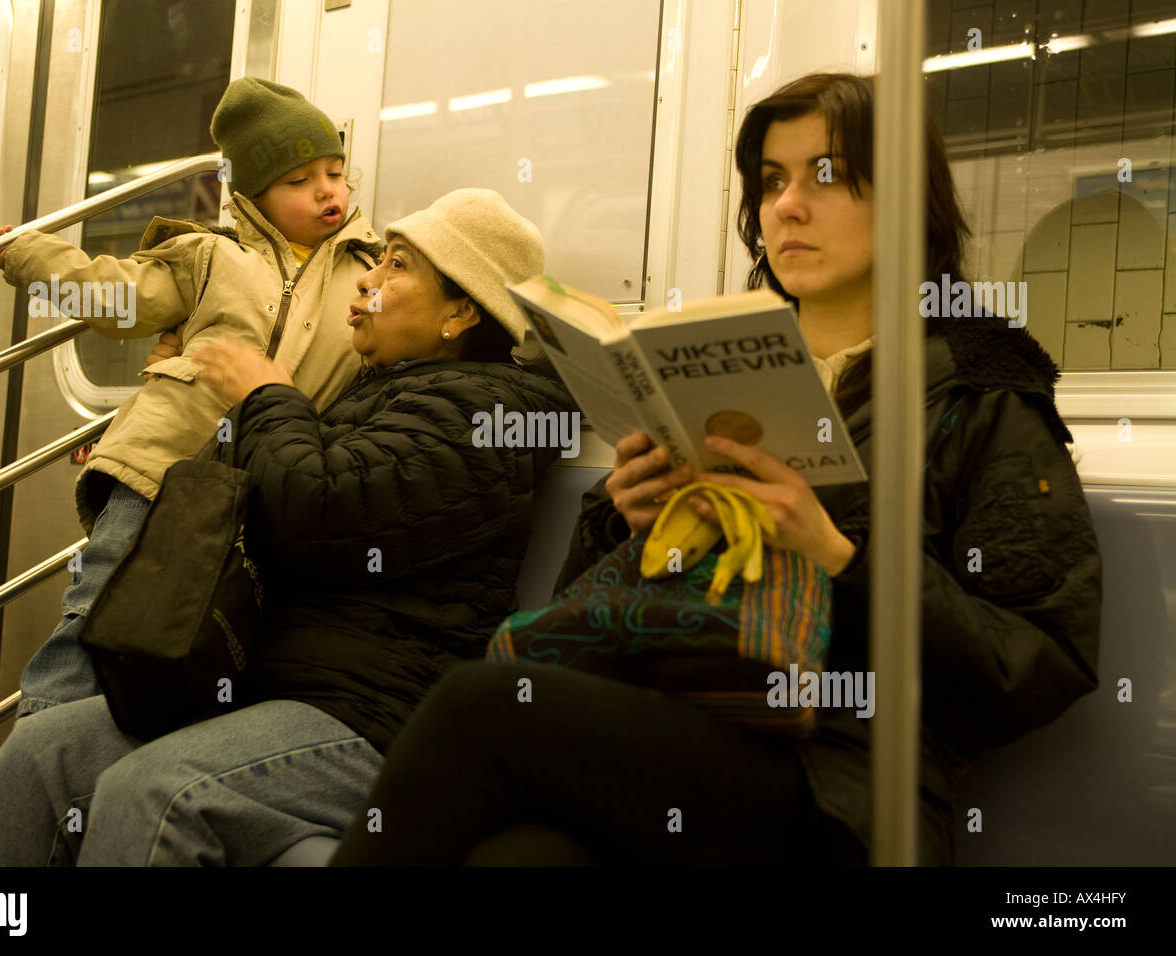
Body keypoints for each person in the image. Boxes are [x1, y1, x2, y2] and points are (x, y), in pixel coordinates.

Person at [328, 72, 1103, 867]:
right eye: (771, 181)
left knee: (478, 703)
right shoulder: (709, 372)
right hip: (675, 723)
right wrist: (621, 519)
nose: (786, 206)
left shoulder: (978, 393)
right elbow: (586, 606)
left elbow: (1040, 661)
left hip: (840, 781)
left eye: (825, 175)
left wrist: (838, 557)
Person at [0, 188, 577, 866]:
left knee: (156, 792)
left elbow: (317, 514)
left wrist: (264, 393)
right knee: (44, 753)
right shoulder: (384, 393)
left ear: (460, 312)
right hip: (269, 682)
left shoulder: (487, 415)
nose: (368, 277)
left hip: (370, 714)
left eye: (396, 266)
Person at [0, 77, 383, 717]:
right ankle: (41, 742)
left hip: (264, 489)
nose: (327, 190)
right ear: (254, 197)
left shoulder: (371, 270)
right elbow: (113, 297)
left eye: (335, 172)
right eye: (299, 180)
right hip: (159, 468)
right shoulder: (210, 257)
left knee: (198, 629)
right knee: (98, 609)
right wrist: (25, 253)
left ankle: (117, 759)